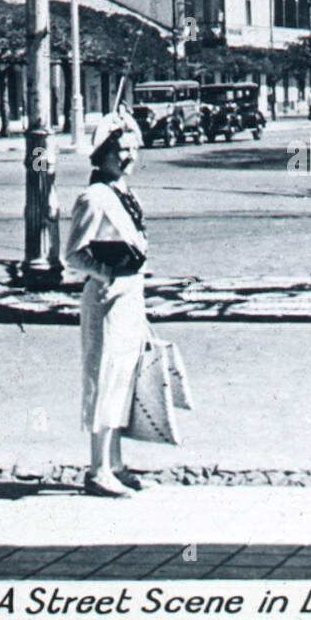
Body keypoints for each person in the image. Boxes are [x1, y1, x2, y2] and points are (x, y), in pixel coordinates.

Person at [66, 111, 191, 497]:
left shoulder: (124, 194)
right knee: (104, 380)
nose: (128, 157)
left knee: (124, 379)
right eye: (120, 150)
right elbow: (72, 255)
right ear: (101, 154)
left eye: (133, 150)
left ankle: (115, 464)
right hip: (107, 298)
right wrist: (106, 272)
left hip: (130, 297)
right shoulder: (95, 197)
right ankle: (97, 469)